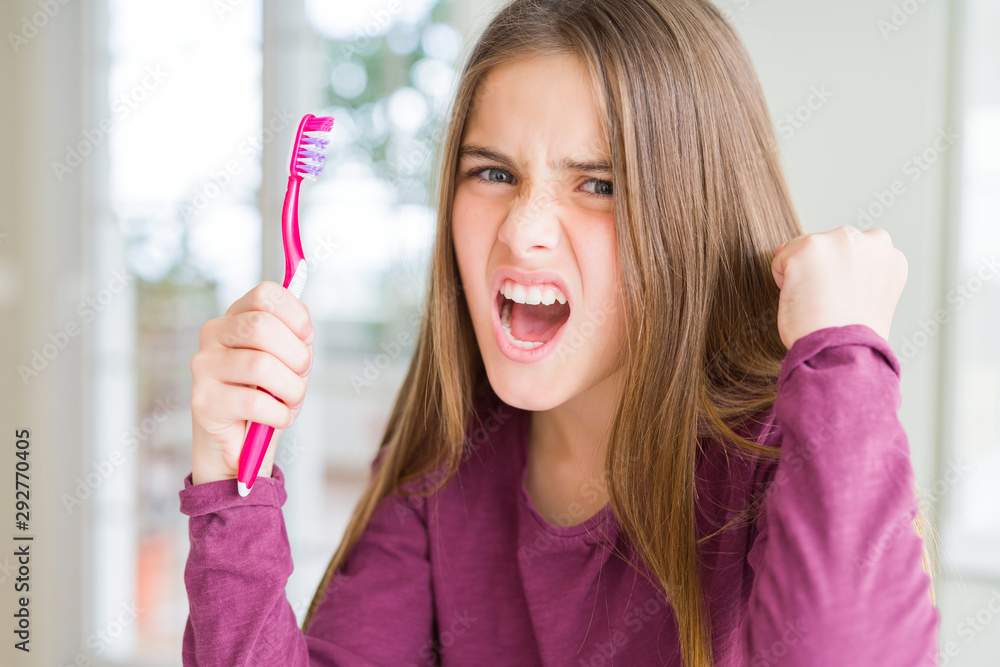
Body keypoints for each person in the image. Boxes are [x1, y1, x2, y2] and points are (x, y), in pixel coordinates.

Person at [180, 0, 940, 664]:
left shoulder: (775, 454)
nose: (525, 228)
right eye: (493, 173)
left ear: (695, 216)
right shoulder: (447, 468)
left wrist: (844, 352)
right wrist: (227, 482)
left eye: (599, 184)